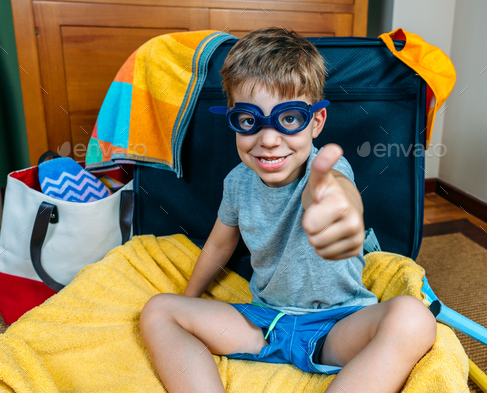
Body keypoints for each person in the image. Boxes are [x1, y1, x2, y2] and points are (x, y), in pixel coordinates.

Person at [139, 27, 437, 393]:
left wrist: (336, 208)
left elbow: (336, 195)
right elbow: (219, 246)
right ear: (232, 118)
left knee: (414, 317)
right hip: (264, 323)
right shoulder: (236, 183)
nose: (267, 139)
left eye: (289, 119)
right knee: (158, 310)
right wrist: (189, 302)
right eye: (249, 121)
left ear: (316, 122)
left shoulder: (327, 170)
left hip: (338, 325)